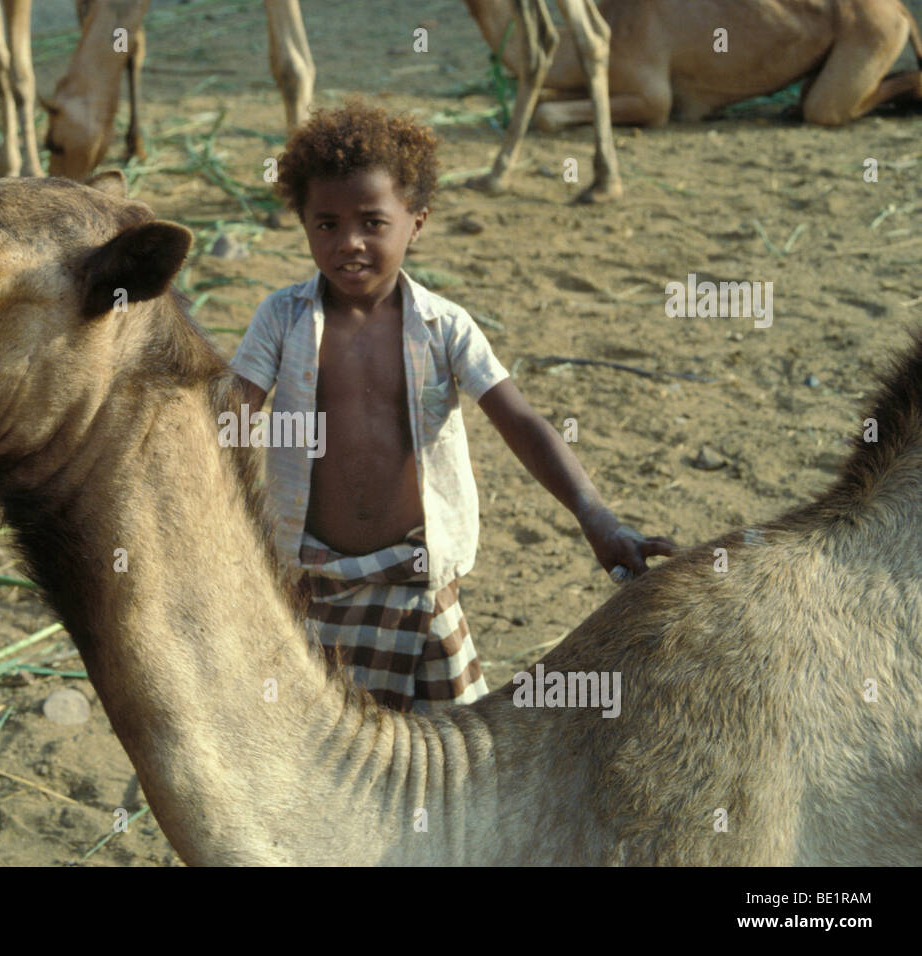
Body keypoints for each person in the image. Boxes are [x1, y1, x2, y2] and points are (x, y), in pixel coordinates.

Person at [229, 100, 673, 713]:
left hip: (420, 583)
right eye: (326, 224)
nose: (349, 243)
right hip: (315, 584)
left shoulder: (444, 328)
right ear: (302, 222)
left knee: (444, 758)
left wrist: (594, 515)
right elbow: (229, 416)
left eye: (372, 223)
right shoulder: (282, 319)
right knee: (319, 751)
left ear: (417, 221)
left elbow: (520, 422)